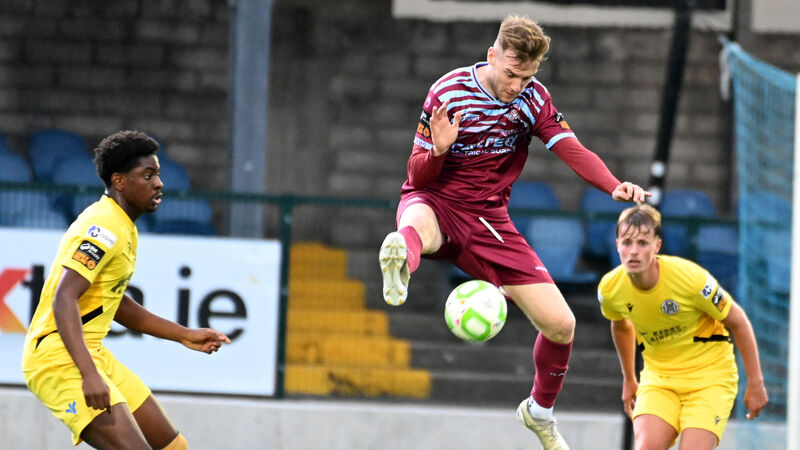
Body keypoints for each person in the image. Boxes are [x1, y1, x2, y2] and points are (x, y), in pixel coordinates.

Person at [378, 15, 649, 449]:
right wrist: (440, 149)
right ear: (491, 56)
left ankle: (539, 412)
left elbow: (570, 147)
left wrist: (611, 184)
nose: (516, 85)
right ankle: (400, 260)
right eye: (510, 74)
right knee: (416, 225)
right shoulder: (446, 92)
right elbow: (418, 173)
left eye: (526, 76)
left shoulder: (533, 99)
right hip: (437, 201)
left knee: (562, 324)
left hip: (489, 220)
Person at [21, 130, 231, 449]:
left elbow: (117, 304)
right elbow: (65, 298)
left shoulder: (122, 225)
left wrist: (182, 334)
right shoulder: (104, 227)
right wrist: (88, 373)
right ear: (119, 181)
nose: (158, 183)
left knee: (173, 447)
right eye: (147, 175)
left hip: (93, 355)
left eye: (157, 175)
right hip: (59, 358)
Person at [597, 204, 768, 449]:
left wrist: (755, 383)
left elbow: (738, 322)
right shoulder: (610, 289)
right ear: (617, 245)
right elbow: (621, 326)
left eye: (643, 243)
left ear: (657, 246)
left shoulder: (691, 279)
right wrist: (629, 379)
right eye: (627, 242)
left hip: (710, 378)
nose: (633, 251)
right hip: (660, 379)